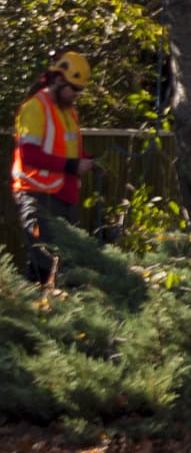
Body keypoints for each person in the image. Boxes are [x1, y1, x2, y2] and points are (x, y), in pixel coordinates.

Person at [11, 50, 92, 285]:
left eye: (80, 90)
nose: (76, 94)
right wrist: (72, 165)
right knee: (43, 265)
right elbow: (29, 155)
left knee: (63, 265)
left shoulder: (68, 111)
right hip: (37, 196)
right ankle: (31, 314)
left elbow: (71, 150)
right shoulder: (35, 108)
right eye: (74, 88)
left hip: (62, 197)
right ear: (58, 80)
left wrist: (90, 162)